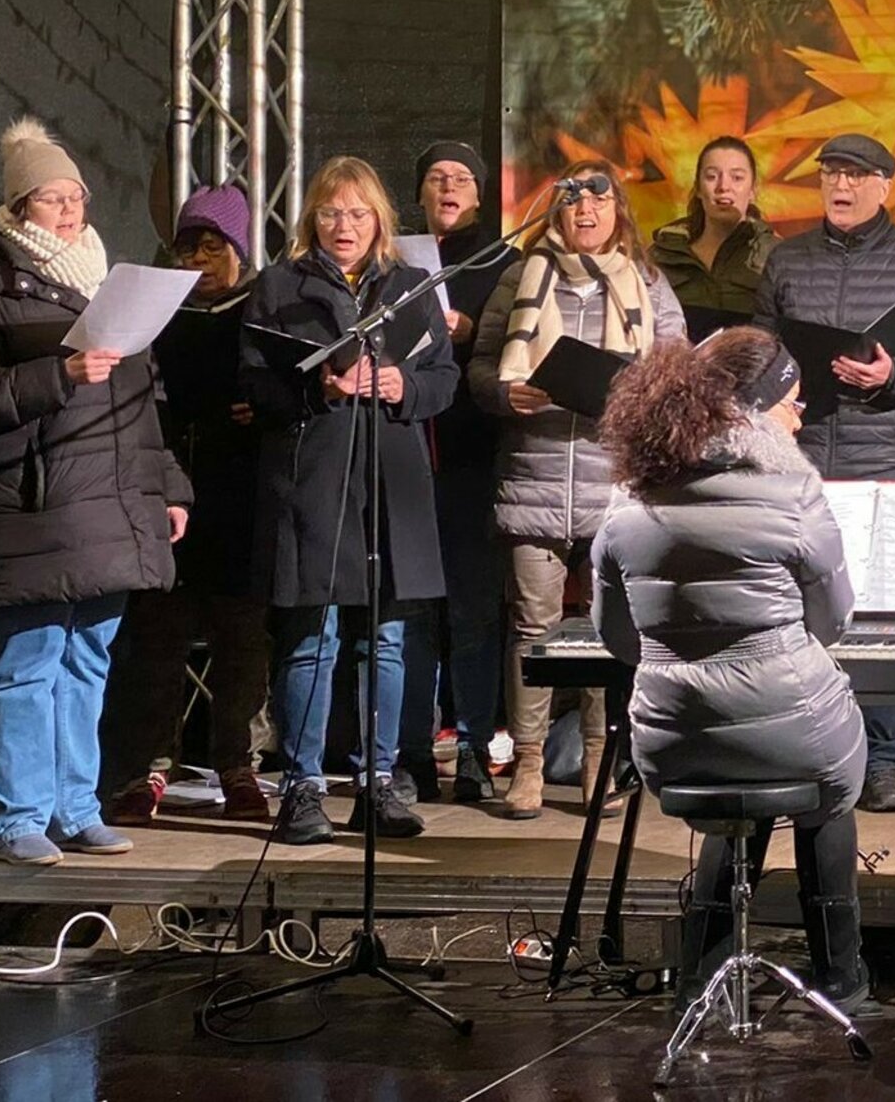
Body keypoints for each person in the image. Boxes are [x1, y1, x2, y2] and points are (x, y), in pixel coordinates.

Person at [593, 329, 870, 1009]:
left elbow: (616, 638)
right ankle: (842, 976)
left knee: (729, 768)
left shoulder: (628, 498)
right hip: (793, 725)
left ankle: (700, 976)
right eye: (793, 403)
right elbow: (832, 624)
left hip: (669, 737)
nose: (800, 418)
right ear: (752, 408)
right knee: (819, 780)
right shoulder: (793, 492)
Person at [0, 119, 191, 865]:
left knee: (89, 661)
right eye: (52, 200)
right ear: (17, 206)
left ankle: (75, 806)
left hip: (113, 502)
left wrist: (169, 488)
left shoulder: (109, 278)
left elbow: (146, 404)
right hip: (30, 503)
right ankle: (16, 819)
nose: (71, 213)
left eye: (78, 198)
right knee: (25, 667)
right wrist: (57, 375)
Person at [240, 156, 459, 845]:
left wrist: (404, 389)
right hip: (314, 481)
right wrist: (322, 390)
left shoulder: (413, 287)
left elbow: (444, 377)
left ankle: (378, 784)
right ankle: (301, 788)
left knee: (387, 640)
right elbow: (256, 388)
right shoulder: (280, 287)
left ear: (380, 222)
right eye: (332, 212)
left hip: (392, 482)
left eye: (358, 213)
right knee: (312, 638)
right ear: (313, 220)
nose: (345, 225)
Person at [753, 132, 895, 814]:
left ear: (885, 186)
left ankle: (881, 762)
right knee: (800, 610)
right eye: (830, 175)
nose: (840, 187)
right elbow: (757, 356)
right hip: (802, 455)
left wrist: (892, 373)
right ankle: (809, 751)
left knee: (880, 614)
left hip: (887, 454)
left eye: (854, 175)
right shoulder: (787, 260)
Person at [470, 159, 684, 819]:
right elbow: (478, 367)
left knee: (600, 630)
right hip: (532, 478)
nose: (584, 212)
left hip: (613, 488)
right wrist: (509, 393)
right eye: (571, 203)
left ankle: (598, 760)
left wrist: (636, 395)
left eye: (597, 201)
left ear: (618, 211)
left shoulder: (648, 283)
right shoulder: (519, 277)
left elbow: (679, 373)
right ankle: (528, 764)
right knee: (531, 628)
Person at [102, 186, 271, 825]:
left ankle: (239, 766)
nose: (200, 260)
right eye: (189, 246)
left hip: (239, 497)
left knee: (241, 641)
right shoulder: (154, 312)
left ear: (237, 251)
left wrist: (263, 404)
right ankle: (145, 768)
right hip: (161, 495)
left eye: (213, 246)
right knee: (155, 639)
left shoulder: (261, 308)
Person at [400, 139, 517, 806]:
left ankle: (475, 745)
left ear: (478, 193)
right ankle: (414, 751)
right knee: (411, 615)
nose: (447, 187)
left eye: (460, 179)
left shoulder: (504, 262)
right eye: (435, 177)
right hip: (410, 456)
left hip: (475, 457)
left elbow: (521, 343)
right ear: (419, 193)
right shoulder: (395, 261)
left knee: (473, 611)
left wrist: (471, 327)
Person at [650, 136, 778, 335]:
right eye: (711, 176)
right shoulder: (663, 253)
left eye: (737, 178)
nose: (723, 186)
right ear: (699, 189)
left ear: (753, 190)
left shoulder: (776, 255)